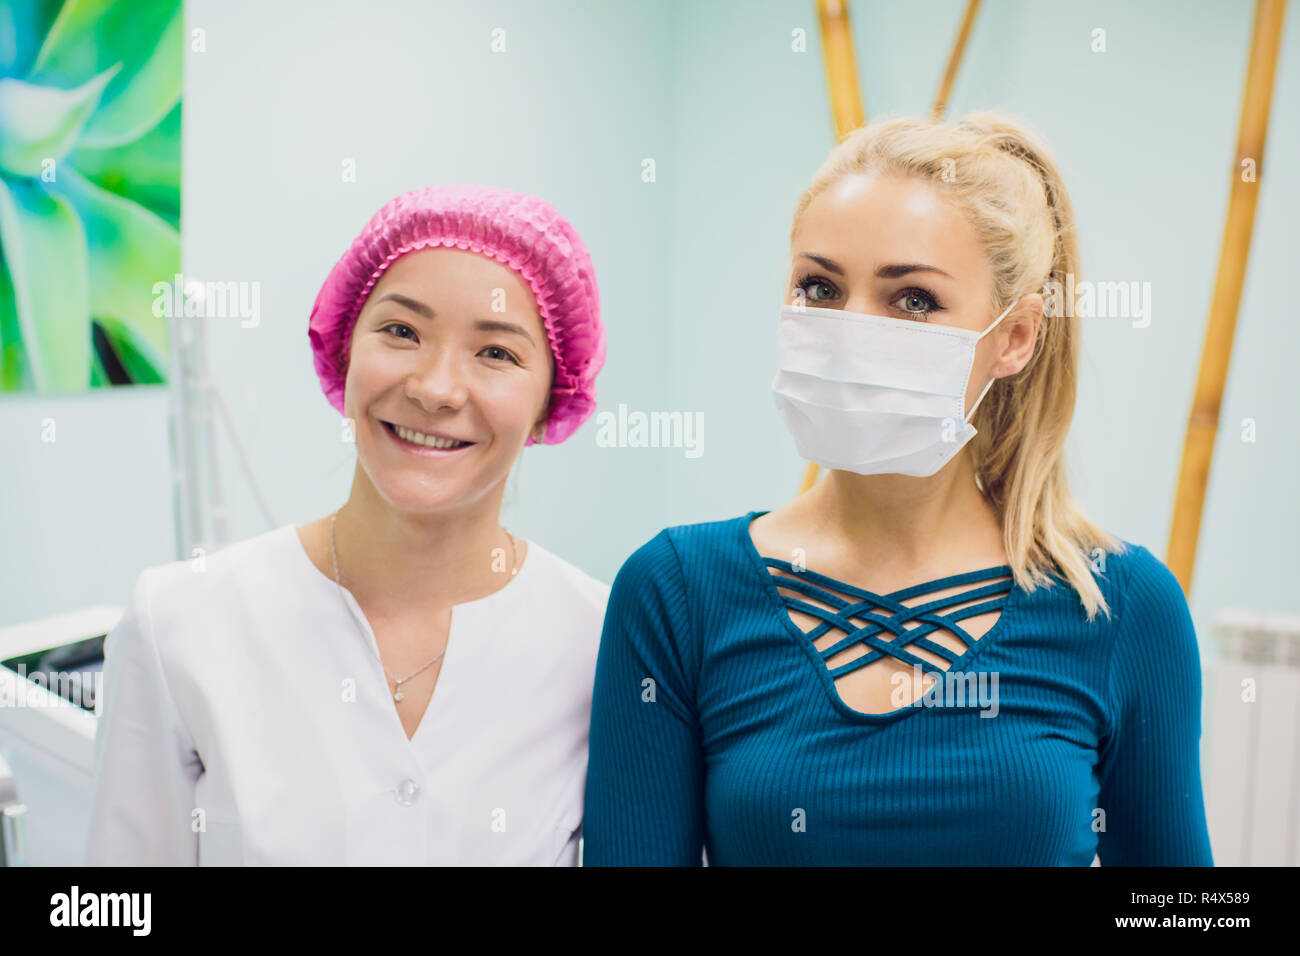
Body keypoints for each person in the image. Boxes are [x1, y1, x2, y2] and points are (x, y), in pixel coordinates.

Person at [582, 112, 1215, 866]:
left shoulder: (1119, 606)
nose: (851, 333)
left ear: (1014, 337)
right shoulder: (677, 592)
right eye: (819, 287)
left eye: (913, 299)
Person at [87, 184, 610, 865]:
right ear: (344, 350)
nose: (435, 388)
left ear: (551, 400)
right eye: (401, 331)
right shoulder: (181, 622)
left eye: (496, 353)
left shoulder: (603, 644)